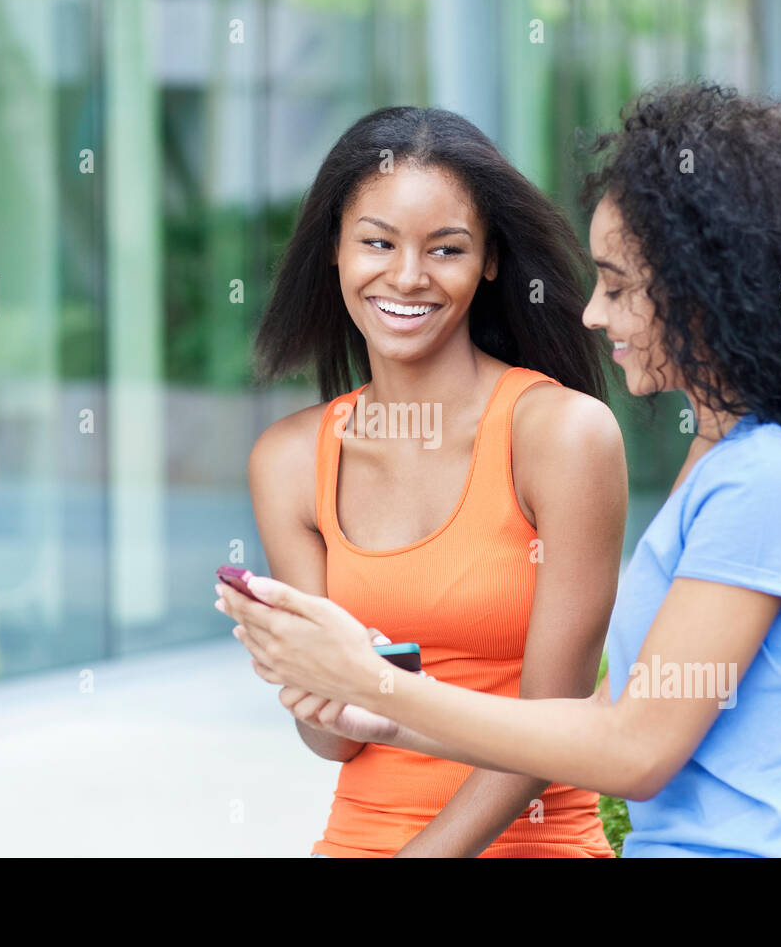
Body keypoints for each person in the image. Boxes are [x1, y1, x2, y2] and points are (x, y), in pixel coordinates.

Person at [220, 84, 781, 857]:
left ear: (711, 296)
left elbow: (632, 750)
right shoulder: (733, 460)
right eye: (376, 243)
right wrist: (343, 684)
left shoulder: (775, 480)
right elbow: (609, 715)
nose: (592, 315)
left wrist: (372, 683)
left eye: (620, 286)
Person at [245, 106, 628, 857]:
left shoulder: (562, 435)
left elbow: (554, 717)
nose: (408, 276)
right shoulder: (288, 460)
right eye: (377, 243)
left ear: (489, 260)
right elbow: (332, 745)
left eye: (445, 249)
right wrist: (303, 670)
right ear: (334, 250)